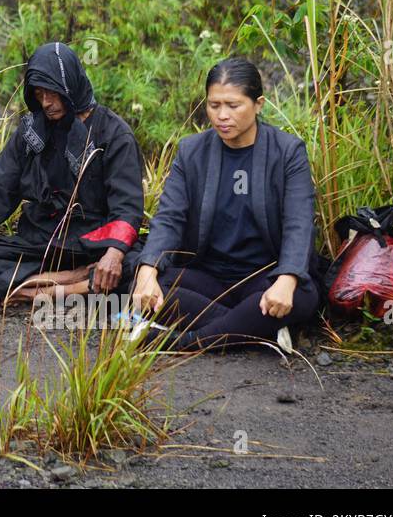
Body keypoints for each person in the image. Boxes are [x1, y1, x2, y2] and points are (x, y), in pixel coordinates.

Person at [131, 58, 320, 350]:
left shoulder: (287, 152)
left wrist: (287, 278)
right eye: (214, 105)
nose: (222, 115)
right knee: (145, 283)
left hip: (263, 278)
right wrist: (147, 270)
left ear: (258, 104)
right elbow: (169, 217)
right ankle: (257, 331)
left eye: (233, 106)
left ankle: (182, 342)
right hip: (208, 278)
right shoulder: (192, 151)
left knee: (301, 293)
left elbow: (299, 222)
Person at [0, 41, 144, 303]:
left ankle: (36, 289)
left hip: (91, 244)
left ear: (71, 85)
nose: (46, 103)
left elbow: (127, 206)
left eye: (53, 93)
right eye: (39, 94)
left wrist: (114, 254)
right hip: (41, 243)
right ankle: (75, 281)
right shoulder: (31, 131)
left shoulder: (115, 135)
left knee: (133, 265)